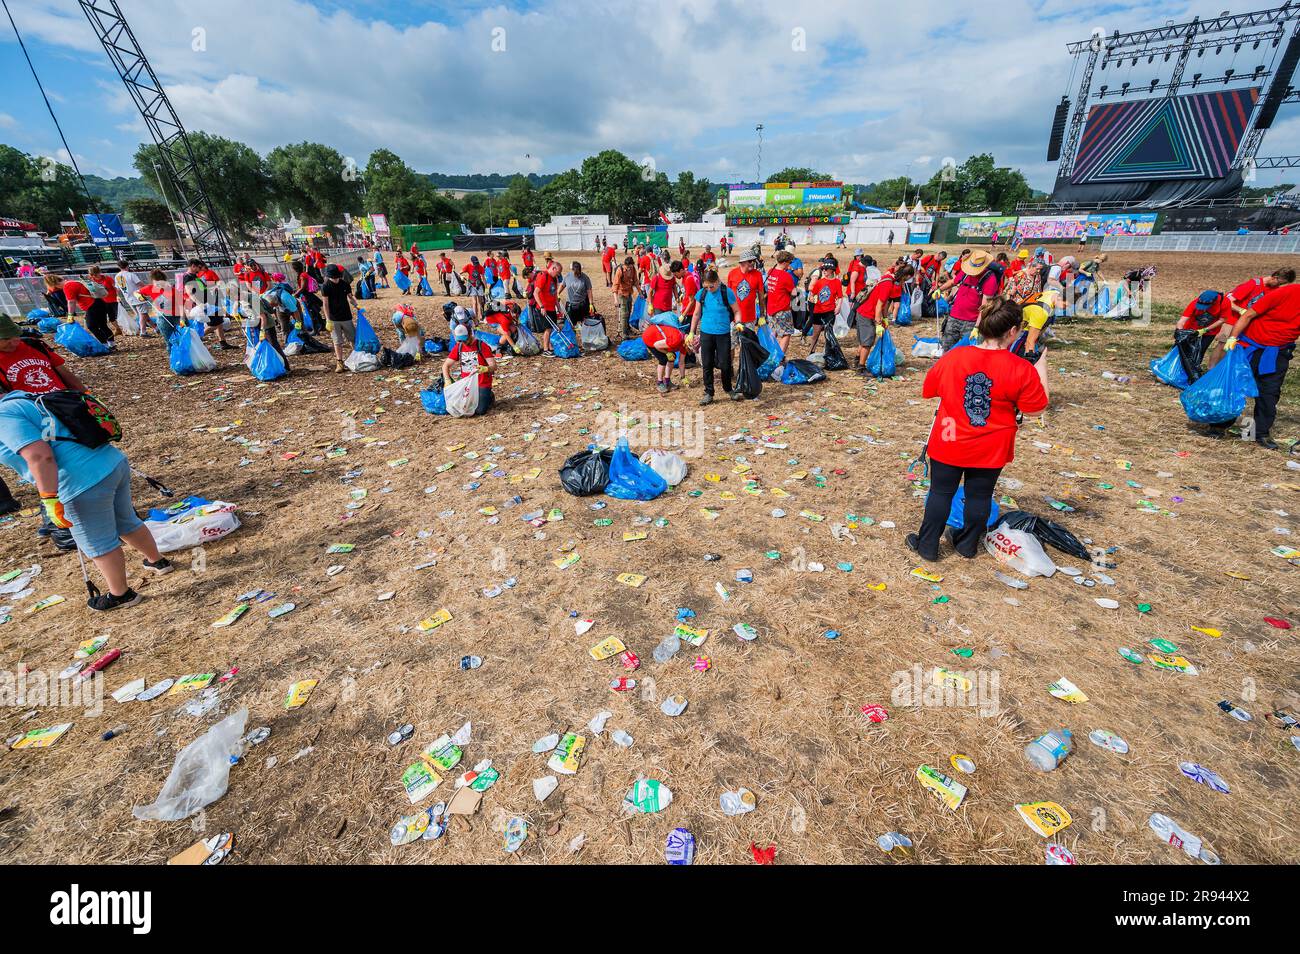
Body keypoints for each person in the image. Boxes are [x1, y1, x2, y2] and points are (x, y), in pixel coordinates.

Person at [0, 383, 174, 611]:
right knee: (126, 521)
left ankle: (121, 595)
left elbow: (40, 457)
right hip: (111, 463)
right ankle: (157, 560)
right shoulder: (24, 399)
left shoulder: (3, 415)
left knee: (97, 541)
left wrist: (50, 499)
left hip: (80, 482)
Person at [907, 299, 1049, 561]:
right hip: (991, 444)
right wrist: (1041, 369)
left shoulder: (955, 357)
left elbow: (929, 389)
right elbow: (1036, 408)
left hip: (950, 438)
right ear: (1012, 332)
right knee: (980, 496)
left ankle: (927, 545)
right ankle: (967, 543)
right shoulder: (1021, 368)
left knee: (941, 492)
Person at [1223, 276, 1300, 450]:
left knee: (1270, 392)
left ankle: (1261, 432)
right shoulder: (1287, 292)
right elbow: (1249, 314)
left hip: (1278, 352)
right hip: (1251, 347)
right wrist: (1233, 337)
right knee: (1236, 386)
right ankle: (1219, 425)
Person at [689, 269, 738, 405]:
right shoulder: (702, 293)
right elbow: (697, 314)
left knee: (725, 364)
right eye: (706, 286)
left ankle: (728, 389)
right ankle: (709, 392)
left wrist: (738, 322)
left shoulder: (726, 292)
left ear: (717, 281)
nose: (709, 289)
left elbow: (736, 311)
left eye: (712, 286)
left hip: (723, 334)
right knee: (707, 364)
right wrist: (692, 332)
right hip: (706, 333)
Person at [938, 249, 999, 351]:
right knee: (946, 347)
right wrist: (939, 290)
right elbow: (953, 281)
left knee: (965, 352)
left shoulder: (990, 279)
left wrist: (977, 327)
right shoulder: (965, 271)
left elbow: (985, 306)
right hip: (953, 317)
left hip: (971, 322)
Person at [855, 264, 910, 371]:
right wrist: (878, 323)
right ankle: (861, 368)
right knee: (867, 342)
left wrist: (885, 318)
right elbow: (879, 305)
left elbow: (884, 304)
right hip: (867, 313)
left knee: (864, 340)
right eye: (907, 279)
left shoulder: (888, 278)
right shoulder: (888, 284)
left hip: (865, 312)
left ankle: (857, 361)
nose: (905, 283)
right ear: (906, 276)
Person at [442, 323, 497, 415]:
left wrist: (485, 369)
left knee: (479, 411)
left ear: (470, 334)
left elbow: (494, 366)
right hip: (467, 384)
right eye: (460, 340)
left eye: (465, 339)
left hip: (482, 383)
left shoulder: (481, 345)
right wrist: (447, 380)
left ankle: (489, 396)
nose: (464, 342)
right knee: (460, 408)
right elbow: (445, 365)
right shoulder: (459, 346)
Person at [184, 259, 234, 350]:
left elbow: (202, 288)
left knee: (219, 322)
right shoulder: (188, 277)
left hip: (210, 301)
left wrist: (213, 288)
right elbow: (190, 292)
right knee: (214, 324)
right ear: (193, 266)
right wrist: (201, 304)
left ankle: (223, 342)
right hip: (204, 303)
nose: (200, 269)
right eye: (198, 267)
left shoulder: (194, 276)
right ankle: (195, 338)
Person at [321, 263, 358, 373]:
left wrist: (356, 305)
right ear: (329, 277)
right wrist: (328, 319)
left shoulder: (344, 284)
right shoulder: (326, 286)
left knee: (352, 338)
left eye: (337, 277)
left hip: (346, 316)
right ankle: (340, 362)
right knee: (337, 341)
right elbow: (325, 304)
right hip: (333, 318)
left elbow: (350, 297)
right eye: (333, 277)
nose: (336, 279)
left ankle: (356, 357)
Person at [62, 271, 115, 345]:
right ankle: (111, 344)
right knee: (102, 325)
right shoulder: (74, 282)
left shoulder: (68, 286)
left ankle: (104, 344)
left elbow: (71, 301)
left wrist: (70, 315)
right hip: (99, 302)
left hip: (92, 305)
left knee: (92, 326)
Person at [764, 250, 799, 354]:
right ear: (784, 262)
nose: (790, 265)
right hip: (782, 309)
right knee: (786, 334)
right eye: (789, 262)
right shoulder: (786, 276)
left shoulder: (771, 271)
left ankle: (771, 355)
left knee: (773, 332)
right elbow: (793, 293)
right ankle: (780, 358)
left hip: (770, 308)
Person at [806, 256, 842, 353]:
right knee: (815, 334)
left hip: (830, 311)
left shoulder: (837, 282)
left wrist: (838, 306)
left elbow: (840, 297)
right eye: (823, 269)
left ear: (832, 270)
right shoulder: (819, 282)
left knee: (828, 334)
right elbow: (812, 293)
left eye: (826, 269)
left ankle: (827, 353)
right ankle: (811, 351)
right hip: (818, 311)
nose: (824, 271)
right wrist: (811, 297)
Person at [727, 249, 765, 332]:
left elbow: (761, 297)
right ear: (742, 262)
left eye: (754, 261)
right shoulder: (732, 273)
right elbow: (728, 295)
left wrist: (762, 315)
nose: (753, 263)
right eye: (750, 261)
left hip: (749, 319)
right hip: (734, 319)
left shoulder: (758, 275)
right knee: (732, 344)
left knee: (747, 344)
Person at [529, 260, 562, 354]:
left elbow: (554, 295)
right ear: (553, 268)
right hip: (544, 308)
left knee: (552, 328)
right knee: (547, 329)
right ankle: (545, 349)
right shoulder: (543, 276)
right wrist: (541, 306)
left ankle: (550, 346)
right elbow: (536, 293)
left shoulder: (554, 279)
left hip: (551, 307)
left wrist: (559, 308)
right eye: (558, 272)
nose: (558, 275)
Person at [562, 261, 594, 330]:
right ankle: (572, 338)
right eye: (575, 274)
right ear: (572, 270)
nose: (577, 275)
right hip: (570, 305)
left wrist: (591, 303)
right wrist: (558, 293)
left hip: (582, 305)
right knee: (570, 324)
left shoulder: (585, 278)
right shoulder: (567, 276)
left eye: (579, 273)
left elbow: (589, 290)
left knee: (584, 324)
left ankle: (585, 338)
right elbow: (562, 285)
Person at [613, 255, 638, 339]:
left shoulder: (633, 269)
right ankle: (624, 334)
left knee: (629, 311)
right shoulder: (620, 270)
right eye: (627, 267)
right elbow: (615, 285)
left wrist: (640, 293)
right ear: (625, 265)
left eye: (630, 267)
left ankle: (627, 328)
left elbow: (636, 281)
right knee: (624, 314)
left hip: (629, 292)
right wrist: (616, 299)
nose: (629, 269)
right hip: (622, 294)